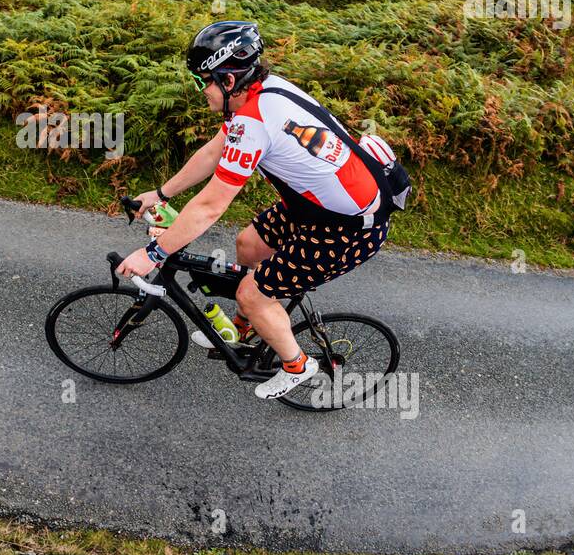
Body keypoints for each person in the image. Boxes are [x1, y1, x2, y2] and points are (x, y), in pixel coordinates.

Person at [115, 20, 395, 400]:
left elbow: (210, 206)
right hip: (314, 208)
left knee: (253, 292)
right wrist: (162, 194)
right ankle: (248, 330)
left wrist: (154, 253)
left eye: (204, 81)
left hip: (348, 230)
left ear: (228, 80)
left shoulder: (254, 121)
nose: (202, 91)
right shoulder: (262, 90)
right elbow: (214, 151)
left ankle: (297, 365)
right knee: (248, 245)